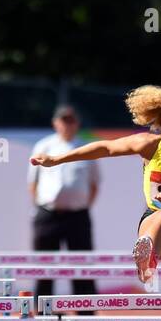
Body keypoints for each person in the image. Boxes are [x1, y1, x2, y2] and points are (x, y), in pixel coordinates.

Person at [29, 84, 161, 294]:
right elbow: (106, 147)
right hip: (157, 224)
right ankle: (147, 258)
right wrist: (57, 159)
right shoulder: (149, 145)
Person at [28, 103, 101, 299]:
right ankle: (44, 313)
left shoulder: (87, 147)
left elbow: (94, 183)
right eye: (63, 120)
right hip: (48, 214)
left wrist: (81, 205)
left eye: (71, 120)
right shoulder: (43, 146)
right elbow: (33, 182)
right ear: (55, 123)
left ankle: (86, 314)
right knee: (44, 267)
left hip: (77, 215)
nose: (67, 125)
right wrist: (41, 206)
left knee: (82, 266)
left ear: (77, 124)